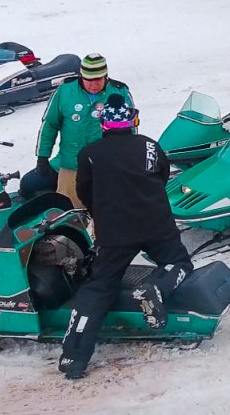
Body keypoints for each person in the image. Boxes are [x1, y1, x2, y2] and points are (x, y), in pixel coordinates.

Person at [57, 94, 191, 380]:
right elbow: (162, 177)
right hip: (157, 225)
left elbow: (85, 191)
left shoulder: (90, 153)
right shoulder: (150, 146)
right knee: (178, 263)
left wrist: (102, 213)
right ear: (132, 120)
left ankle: (73, 357)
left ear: (104, 124)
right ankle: (157, 287)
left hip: (115, 232)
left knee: (99, 287)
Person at [25, 53, 132, 206]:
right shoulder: (65, 91)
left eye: (99, 80)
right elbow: (50, 124)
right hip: (71, 165)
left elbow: (129, 130)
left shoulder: (119, 92)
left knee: (106, 212)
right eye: (89, 80)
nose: (94, 85)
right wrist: (42, 156)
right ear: (81, 76)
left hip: (105, 167)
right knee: (70, 211)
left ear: (106, 77)